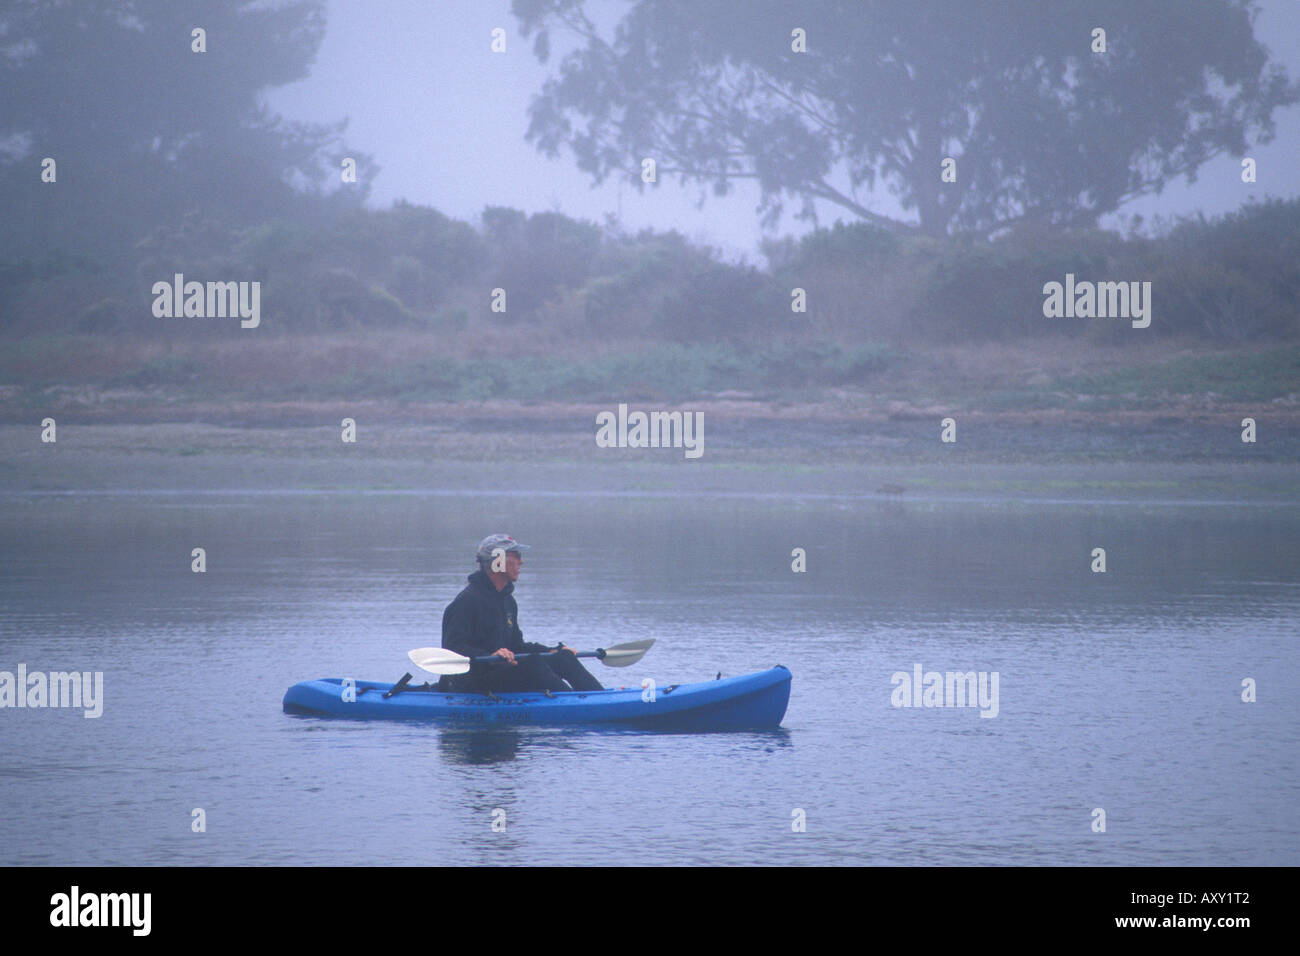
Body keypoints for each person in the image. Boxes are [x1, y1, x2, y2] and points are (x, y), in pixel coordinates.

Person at [439, 534, 603, 695]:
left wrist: (553, 650)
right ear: (498, 561)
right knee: (532, 664)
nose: (521, 562)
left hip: (501, 671)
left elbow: (517, 646)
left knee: (564, 658)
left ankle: (599, 697)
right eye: (516, 556)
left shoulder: (507, 601)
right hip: (473, 681)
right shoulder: (467, 601)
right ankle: (577, 704)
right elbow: (452, 649)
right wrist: (489, 656)